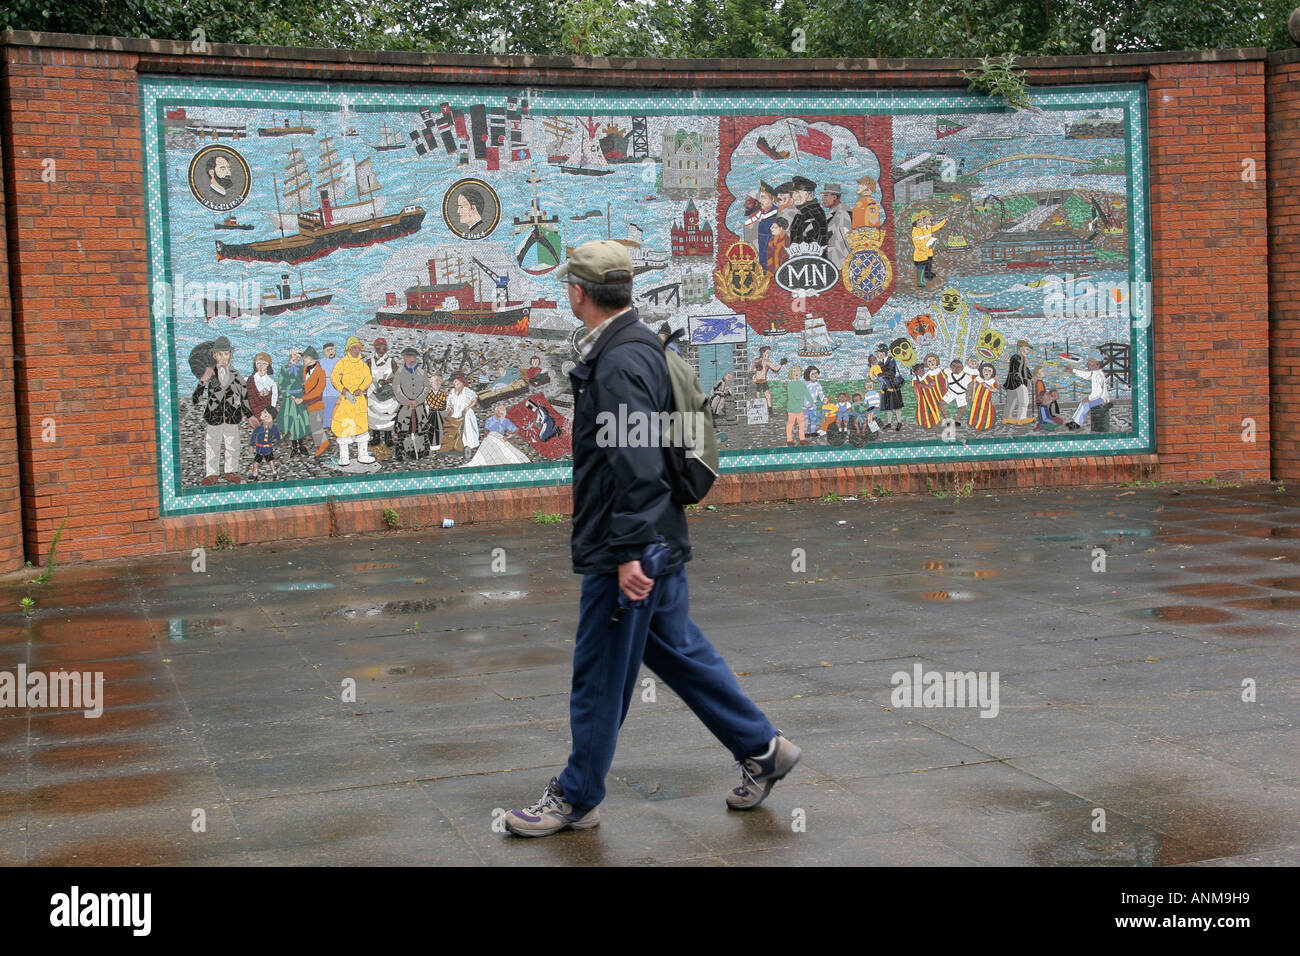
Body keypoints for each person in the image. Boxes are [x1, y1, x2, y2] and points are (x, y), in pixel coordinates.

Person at [503, 240, 798, 838]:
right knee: (678, 653)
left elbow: (633, 459)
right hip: (657, 534)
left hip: (632, 545)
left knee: (600, 673)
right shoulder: (638, 347)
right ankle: (762, 748)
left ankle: (577, 795)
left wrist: (631, 552)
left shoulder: (618, 362)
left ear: (578, 293)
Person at [191, 336, 249, 485]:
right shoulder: (210, 373)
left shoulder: (236, 375)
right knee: (212, 444)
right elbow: (196, 398)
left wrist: (249, 415)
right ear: (214, 355)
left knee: (233, 444)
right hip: (214, 415)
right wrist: (202, 381)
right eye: (220, 354)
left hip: (232, 415)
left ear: (231, 355)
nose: (224, 358)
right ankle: (211, 473)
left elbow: (244, 395)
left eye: (226, 354)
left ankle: (231, 470)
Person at [330, 336, 375, 466]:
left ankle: (363, 454)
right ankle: (344, 457)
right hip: (346, 400)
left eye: (358, 348)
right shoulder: (342, 362)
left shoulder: (362, 364)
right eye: (354, 348)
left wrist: (361, 389)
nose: (356, 350)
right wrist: (343, 390)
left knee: (361, 427)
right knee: (344, 427)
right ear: (348, 349)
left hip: (359, 399)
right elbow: (334, 378)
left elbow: (368, 378)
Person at [393, 346, 431, 460]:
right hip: (405, 406)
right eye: (409, 357)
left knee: (421, 427)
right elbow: (396, 389)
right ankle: (402, 452)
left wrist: (418, 400)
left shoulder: (422, 372)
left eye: (413, 357)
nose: (412, 359)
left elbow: (426, 388)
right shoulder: (399, 372)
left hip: (419, 406)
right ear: (404, 358)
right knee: (403, 429)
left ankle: (422, 451)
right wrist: (406, 400)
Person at [278, 347, 312, 456]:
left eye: (298, 357)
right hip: (290, 400)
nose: (296, 359)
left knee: (301, 422)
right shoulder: (284, 368)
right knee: (291, 422)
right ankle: (294, 447)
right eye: (294, 357)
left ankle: (302, 445)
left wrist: (304, 396)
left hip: (300, 398)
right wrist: (290, 396)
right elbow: (281, 385)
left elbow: (307, 383)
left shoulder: (303, 369)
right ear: (290, 356)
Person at [301, 346, 330, 457]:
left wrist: (303, 398)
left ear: (313, 359)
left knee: (316, 425)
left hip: (316, 403)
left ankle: (323, 443)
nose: (304, 359)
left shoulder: (320, 372)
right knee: (311, 424)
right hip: (306, 403)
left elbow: (318, 391)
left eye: (306, 357)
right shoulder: (304, 370)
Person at [1067, 357, 1110, 430]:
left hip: (1102, 399)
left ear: (1097, 365)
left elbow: (1098, 393)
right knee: (1083, 403)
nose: (1088, 364)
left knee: (1085, 404)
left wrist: (1089, 398)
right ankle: (1075, 421)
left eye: (1091, 363)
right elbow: (1086, 374)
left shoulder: (1097, 376)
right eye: (1088, 362)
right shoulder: (1096, 372)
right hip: (1100, 397)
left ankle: (1077, 424)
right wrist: (1073, 370)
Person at [872, 342, 905, 431]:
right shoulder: (879, 363)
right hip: (885, 387)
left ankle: (899, 422)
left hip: (893, 385)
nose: (878, 355)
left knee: (897, 405)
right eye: (878, 353)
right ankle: (889, 423)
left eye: (880, 353)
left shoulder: (891, 360)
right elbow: (878, 373)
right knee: (888, 406)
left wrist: (882, 374)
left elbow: (892, 372)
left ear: (884, 352)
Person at [1002, 340, 1035, 426]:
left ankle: (1007, 417)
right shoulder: (1017, 358)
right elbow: (1017, 371)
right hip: (1017, 382)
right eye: (1026, 349)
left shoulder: (1019, 358)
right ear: (1021, 349)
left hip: (1013, 383)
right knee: (1023, 400)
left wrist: (1030, 377)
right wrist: (1021, 382)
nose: (1028, 352)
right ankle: (1021, 418)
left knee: (1012, 400)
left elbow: (1025, 369)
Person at [910, 212, 947, 288]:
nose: (922, 222)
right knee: (921, 267)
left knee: (925, 266)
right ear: (915, 223)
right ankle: (920, 281)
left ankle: (923, 279)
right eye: (920, 221)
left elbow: (935, 228)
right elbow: (918, 245)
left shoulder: (922, 229)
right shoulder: (916, 231)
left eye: (922, 221)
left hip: (925, 253)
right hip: (920, 254)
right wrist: (927, 247)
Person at [822, 183, 853, 266]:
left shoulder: (842, 212)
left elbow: (848, 236)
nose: (823, 199)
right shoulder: (834, 211)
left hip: (840, 258)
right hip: (833, 257)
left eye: (826, 196)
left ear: (834, 197)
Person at [968, 362, 998, 431]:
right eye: (985, 370)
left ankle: (982, 425)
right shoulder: (978, 379)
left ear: (992, 373)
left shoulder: (992, 381)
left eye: (989, 370)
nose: (986, 372)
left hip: (985, 400)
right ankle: (973, 423)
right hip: (977, 399)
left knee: (984, 412)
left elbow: (994, 390)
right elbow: (974, 387)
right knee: (974, 410)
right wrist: (973, 396)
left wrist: (987, 386)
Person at [784, 363, 809, 446]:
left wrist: (812, 403)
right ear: (791, 373)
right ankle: (789, 440)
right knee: (790, 423)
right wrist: (800, 406)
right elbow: (792, 397)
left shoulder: (801, 384)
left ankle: (802, 439)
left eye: (798, 370)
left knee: (802, 423)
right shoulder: (791, 384)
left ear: (801, 373)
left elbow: (806, 393)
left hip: (800, 409)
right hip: (792, 408)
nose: (796, 372)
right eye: (794, 371)